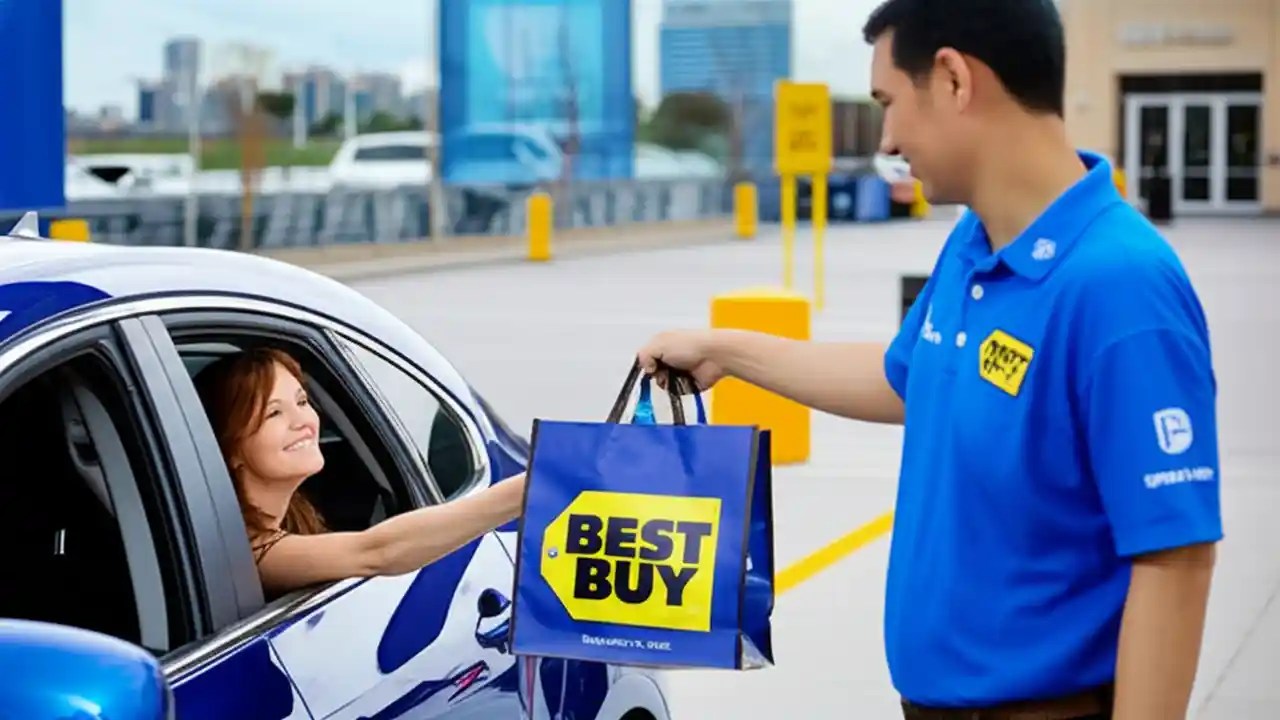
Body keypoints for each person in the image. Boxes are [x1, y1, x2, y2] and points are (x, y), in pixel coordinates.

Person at [636, 1, 1221, 718]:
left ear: (951, 79)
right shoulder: (975, 246)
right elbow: (904, 378)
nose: (885, 138)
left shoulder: (1121, 286)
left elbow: (1176, 557)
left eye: (888, 102)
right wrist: (725, 351)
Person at [192, 346, 527, 599]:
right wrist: (528, 489)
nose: (303, 422)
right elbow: (376, 553)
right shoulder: (253, 553)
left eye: (303, 401)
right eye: (274, 413)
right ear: (230, 448)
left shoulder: (283, 522)